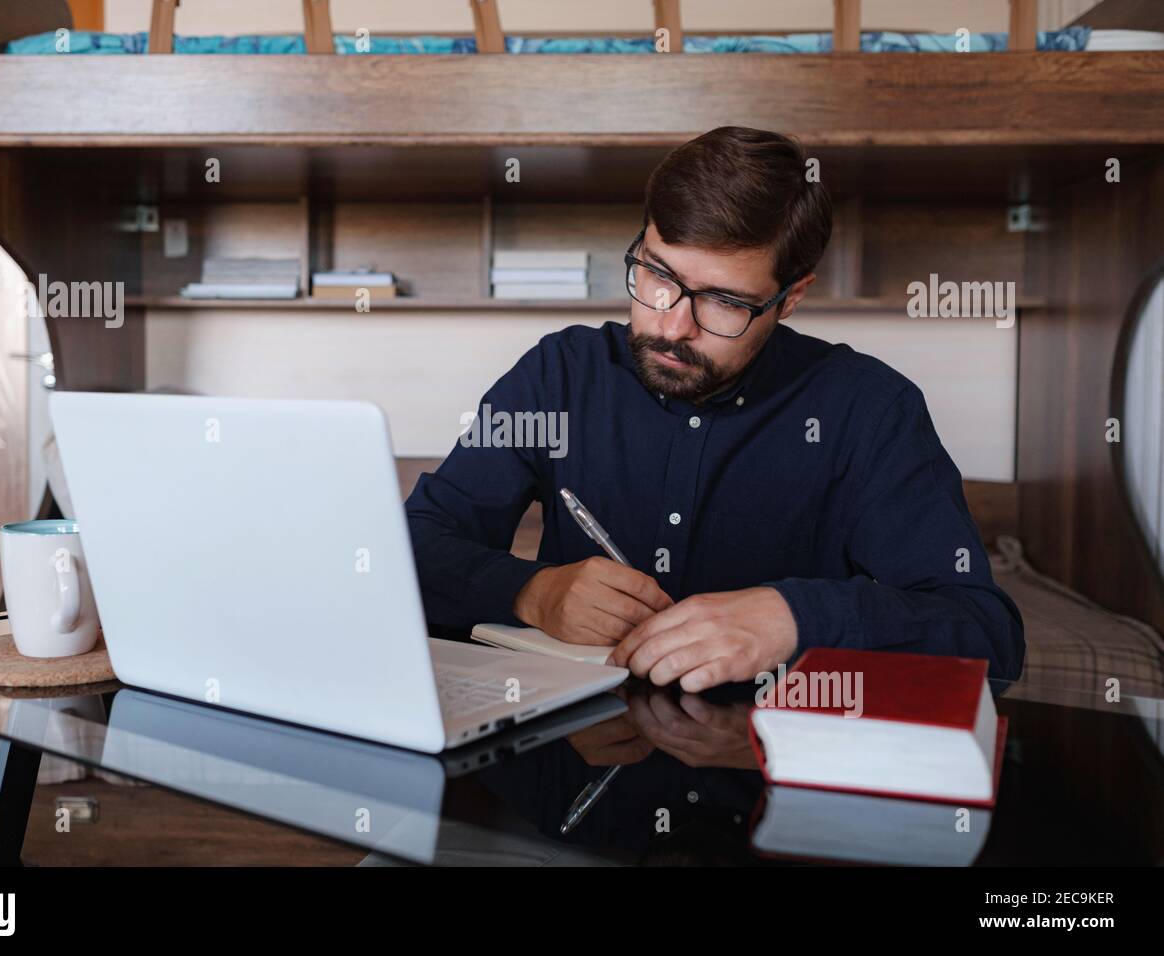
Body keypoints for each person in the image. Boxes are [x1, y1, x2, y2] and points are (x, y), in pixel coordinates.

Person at [405, 125, 1024, 690]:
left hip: (769, 781)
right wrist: (531, 592)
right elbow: (412, 544)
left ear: (791, 298)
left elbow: (984, 631)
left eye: (725, 301)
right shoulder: (560, 375)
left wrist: (792, 617)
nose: (672, 326)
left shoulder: (870, 410)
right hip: (576, 765)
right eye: (657, 276)